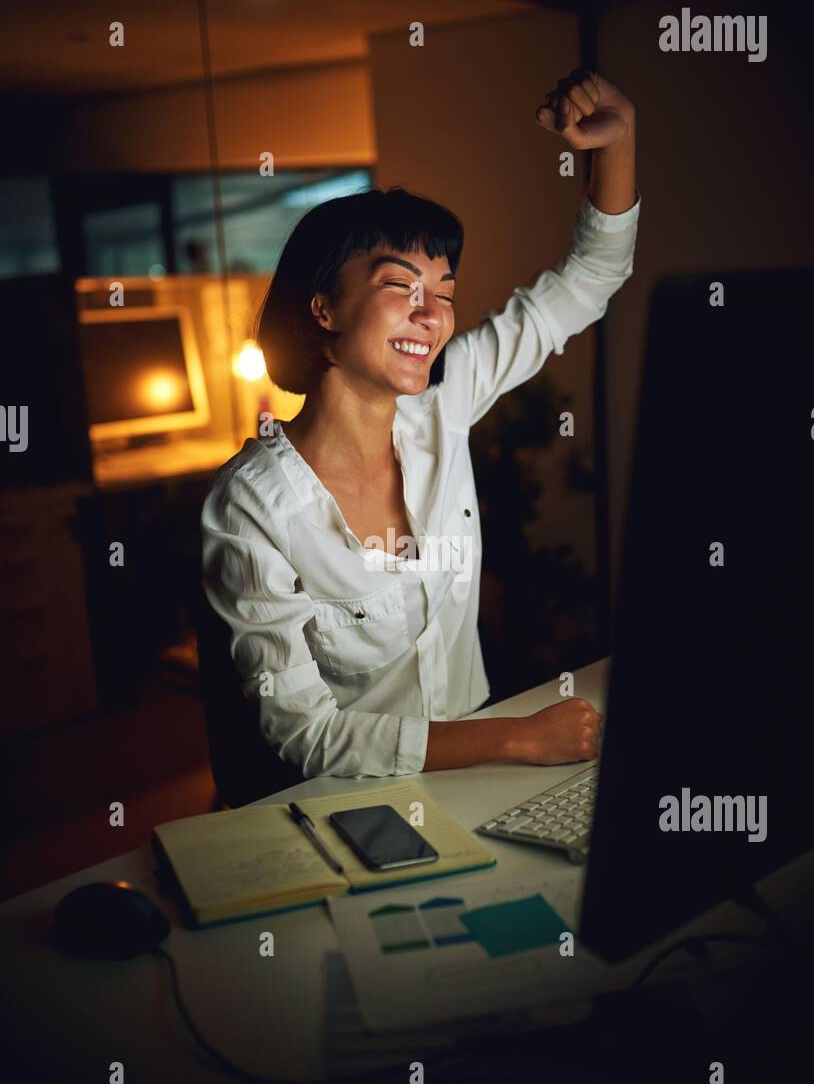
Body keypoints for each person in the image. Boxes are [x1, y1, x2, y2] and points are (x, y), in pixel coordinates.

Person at [201, 67, 639, 781]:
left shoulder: (444, 400)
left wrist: (616, 142)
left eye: (442, 291)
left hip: (475, 779)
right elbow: (304, 734)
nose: (430, 314)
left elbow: (589, 277)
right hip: (350, 809)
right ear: (324, 308)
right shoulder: (250, 505)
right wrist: (514, 738)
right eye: (398, 285)